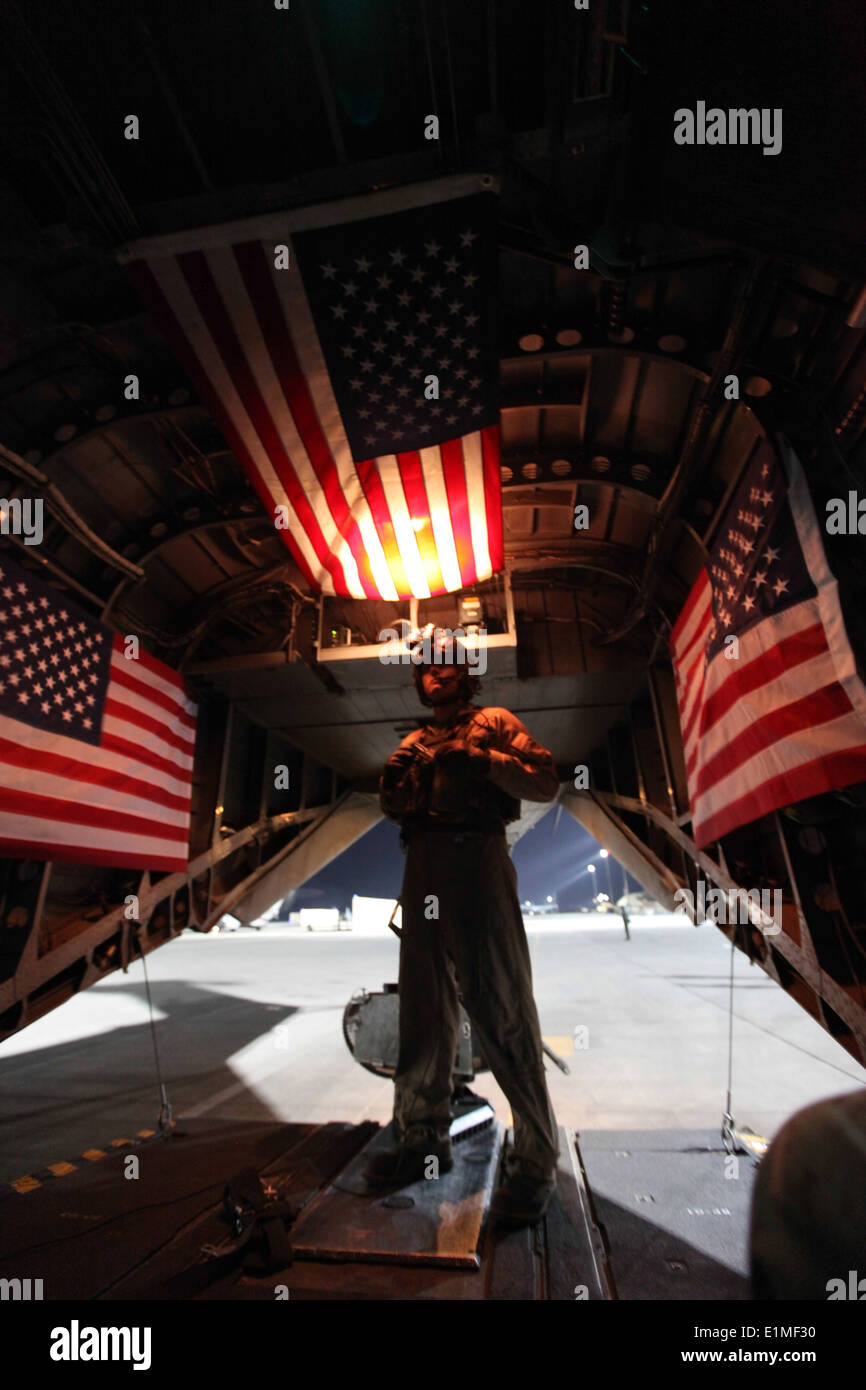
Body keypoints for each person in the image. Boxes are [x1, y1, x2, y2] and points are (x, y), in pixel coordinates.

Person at [363, 629, 561, 1227]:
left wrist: (483, 760)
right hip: (423, 868)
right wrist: (391, 787)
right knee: (424, 1008)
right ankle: (423, 1143)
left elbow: (546, 780)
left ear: (465, 674)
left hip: (477, 862)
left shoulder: (495, 721)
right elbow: (398, 808)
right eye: (426, 668)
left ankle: (534, 1163)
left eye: (447, 666)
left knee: (500, 1004)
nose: (435, 674)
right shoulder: (417, 741)